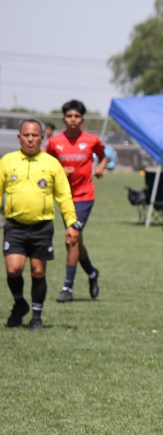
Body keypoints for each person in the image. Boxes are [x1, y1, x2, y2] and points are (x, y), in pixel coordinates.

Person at [1, 119, 80, 330]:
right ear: (19, 137)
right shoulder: (7, 161)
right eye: (26, 135)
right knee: (13, 269)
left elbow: (64, 196)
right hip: (14, 225)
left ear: (42, 138)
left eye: (34, 135)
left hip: (42, 227)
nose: (30, 139)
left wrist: (72, 223)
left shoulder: (52, 163)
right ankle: (19, 304)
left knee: (37, 271)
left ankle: (37, 316)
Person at [46, 99, 108, 303]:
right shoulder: (55, 142)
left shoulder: (91, 140)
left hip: (84, 197)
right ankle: (91, 273)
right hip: (64, 198)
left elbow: (104, 155)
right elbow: (46, 165)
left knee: (71, 237)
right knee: (75, 241)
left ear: (82, 119)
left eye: (77, 116)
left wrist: (99, 169)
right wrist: (60, 171)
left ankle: (67, 288)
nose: (73, 120)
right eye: (69, 116)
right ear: (64, 118)